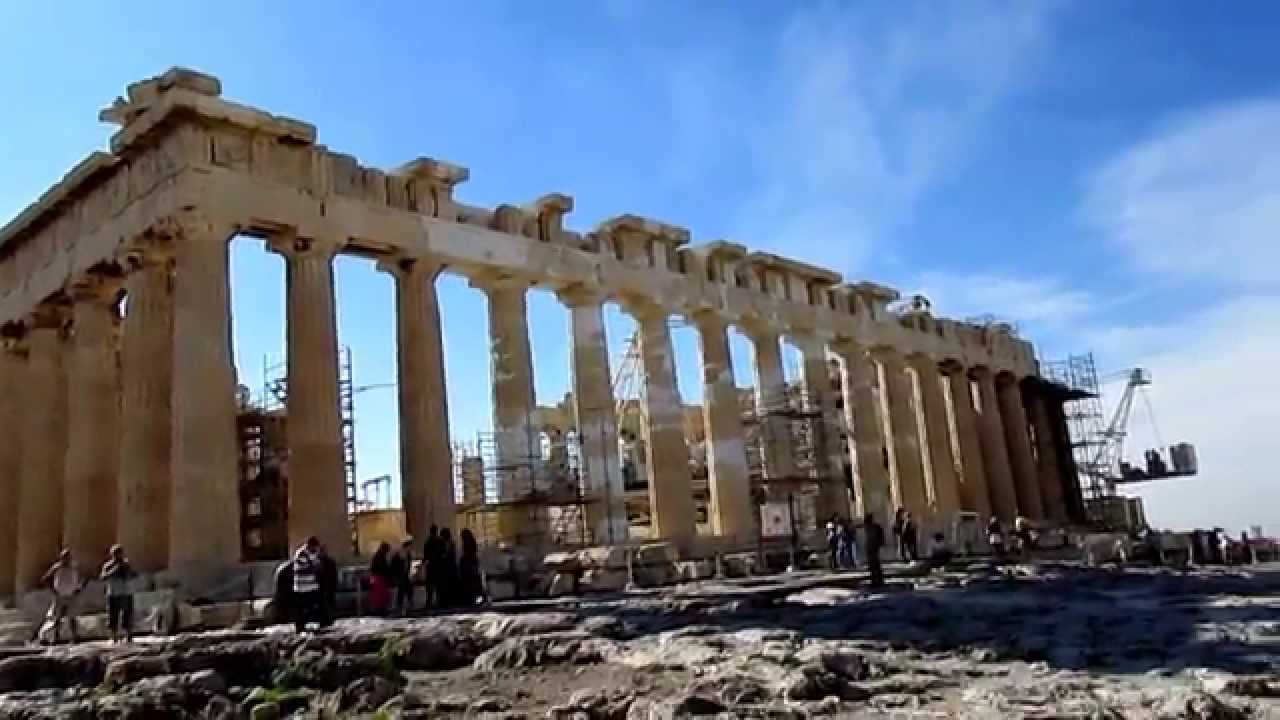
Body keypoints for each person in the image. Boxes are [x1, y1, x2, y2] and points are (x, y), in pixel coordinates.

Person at [100, 544, 137, 644]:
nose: (118, 556)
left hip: (126, 592)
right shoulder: (108, 565)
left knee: (127, 615)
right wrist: (115, 570)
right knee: (113, 616)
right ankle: (114, 637)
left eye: (119, 553)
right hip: (113, 593)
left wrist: (127, 570)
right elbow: (103, 577)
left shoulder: (126, 564)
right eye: (115, 554)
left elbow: (134, 575)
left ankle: (129, 636)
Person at [291, 536, 328, 632]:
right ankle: (300, 626)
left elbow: (319, 566)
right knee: (302, 608)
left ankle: (321, 623)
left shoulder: (312, 554)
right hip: (302, 587)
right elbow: (306, 568)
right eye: (314, 547)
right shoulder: (301, 553)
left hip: (311, 585)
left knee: (317, 604)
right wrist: (315, 564)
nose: (315, 549)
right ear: (310, 545)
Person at [458, 528, 487, 607]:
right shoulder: (471, 542)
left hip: (469, 564)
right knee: (475, 582)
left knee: (472, 583)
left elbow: (469, 553)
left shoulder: (468, 543)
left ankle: (476, 598)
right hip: (471, 564)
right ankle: (480, 597)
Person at [369, 542, 393, 615]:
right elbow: (384, 568)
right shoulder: (381, 557)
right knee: (381, 595)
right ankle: (380, 609)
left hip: (377, 577)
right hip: (380, 578)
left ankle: (379, 609)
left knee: (379, 595)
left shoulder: (377, 556)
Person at [437, 528, 459, 607]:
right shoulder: (448, 543)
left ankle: (448, 600)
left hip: (447, 568)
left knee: (448, 584)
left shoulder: (446, 543)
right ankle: (447, 600)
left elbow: (449, 554)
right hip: (448, 567)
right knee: (447, 584)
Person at [317, 544, 338, 621]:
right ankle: (327, 618)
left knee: (327, 603)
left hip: (327, 587)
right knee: (326, 604)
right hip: (324, 587)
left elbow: (334, 575)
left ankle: (328, 618)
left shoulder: (326, 562)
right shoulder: (319, 562)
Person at [395, 537, 416, 615]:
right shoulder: (400, 553)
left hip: (407, 575)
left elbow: (412, 564)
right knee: (402, 591)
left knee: (409, 590)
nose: (410, 548)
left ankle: (410, 605)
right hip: (402, 575)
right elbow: (397, 565)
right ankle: (400, 607)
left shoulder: (409, 553)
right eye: (410, 546)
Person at [864, 513, 885, 588]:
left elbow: (879, 537)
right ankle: (877, 580)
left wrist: (879, 544)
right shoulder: (873, 527)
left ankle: (877, 580)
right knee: (874, 565)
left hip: (872, 547)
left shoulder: (873, 527)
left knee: (874, 565)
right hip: (872, 547)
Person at [423, 526, 442, 609]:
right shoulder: (439, 541)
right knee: (438, 585)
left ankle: (429, 602)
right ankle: (438, 601)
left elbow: (426, 554)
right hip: (438, 565)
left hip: (431, 565)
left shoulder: (428, 541)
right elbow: (442, 552)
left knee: (430, 585)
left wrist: (424, 562)